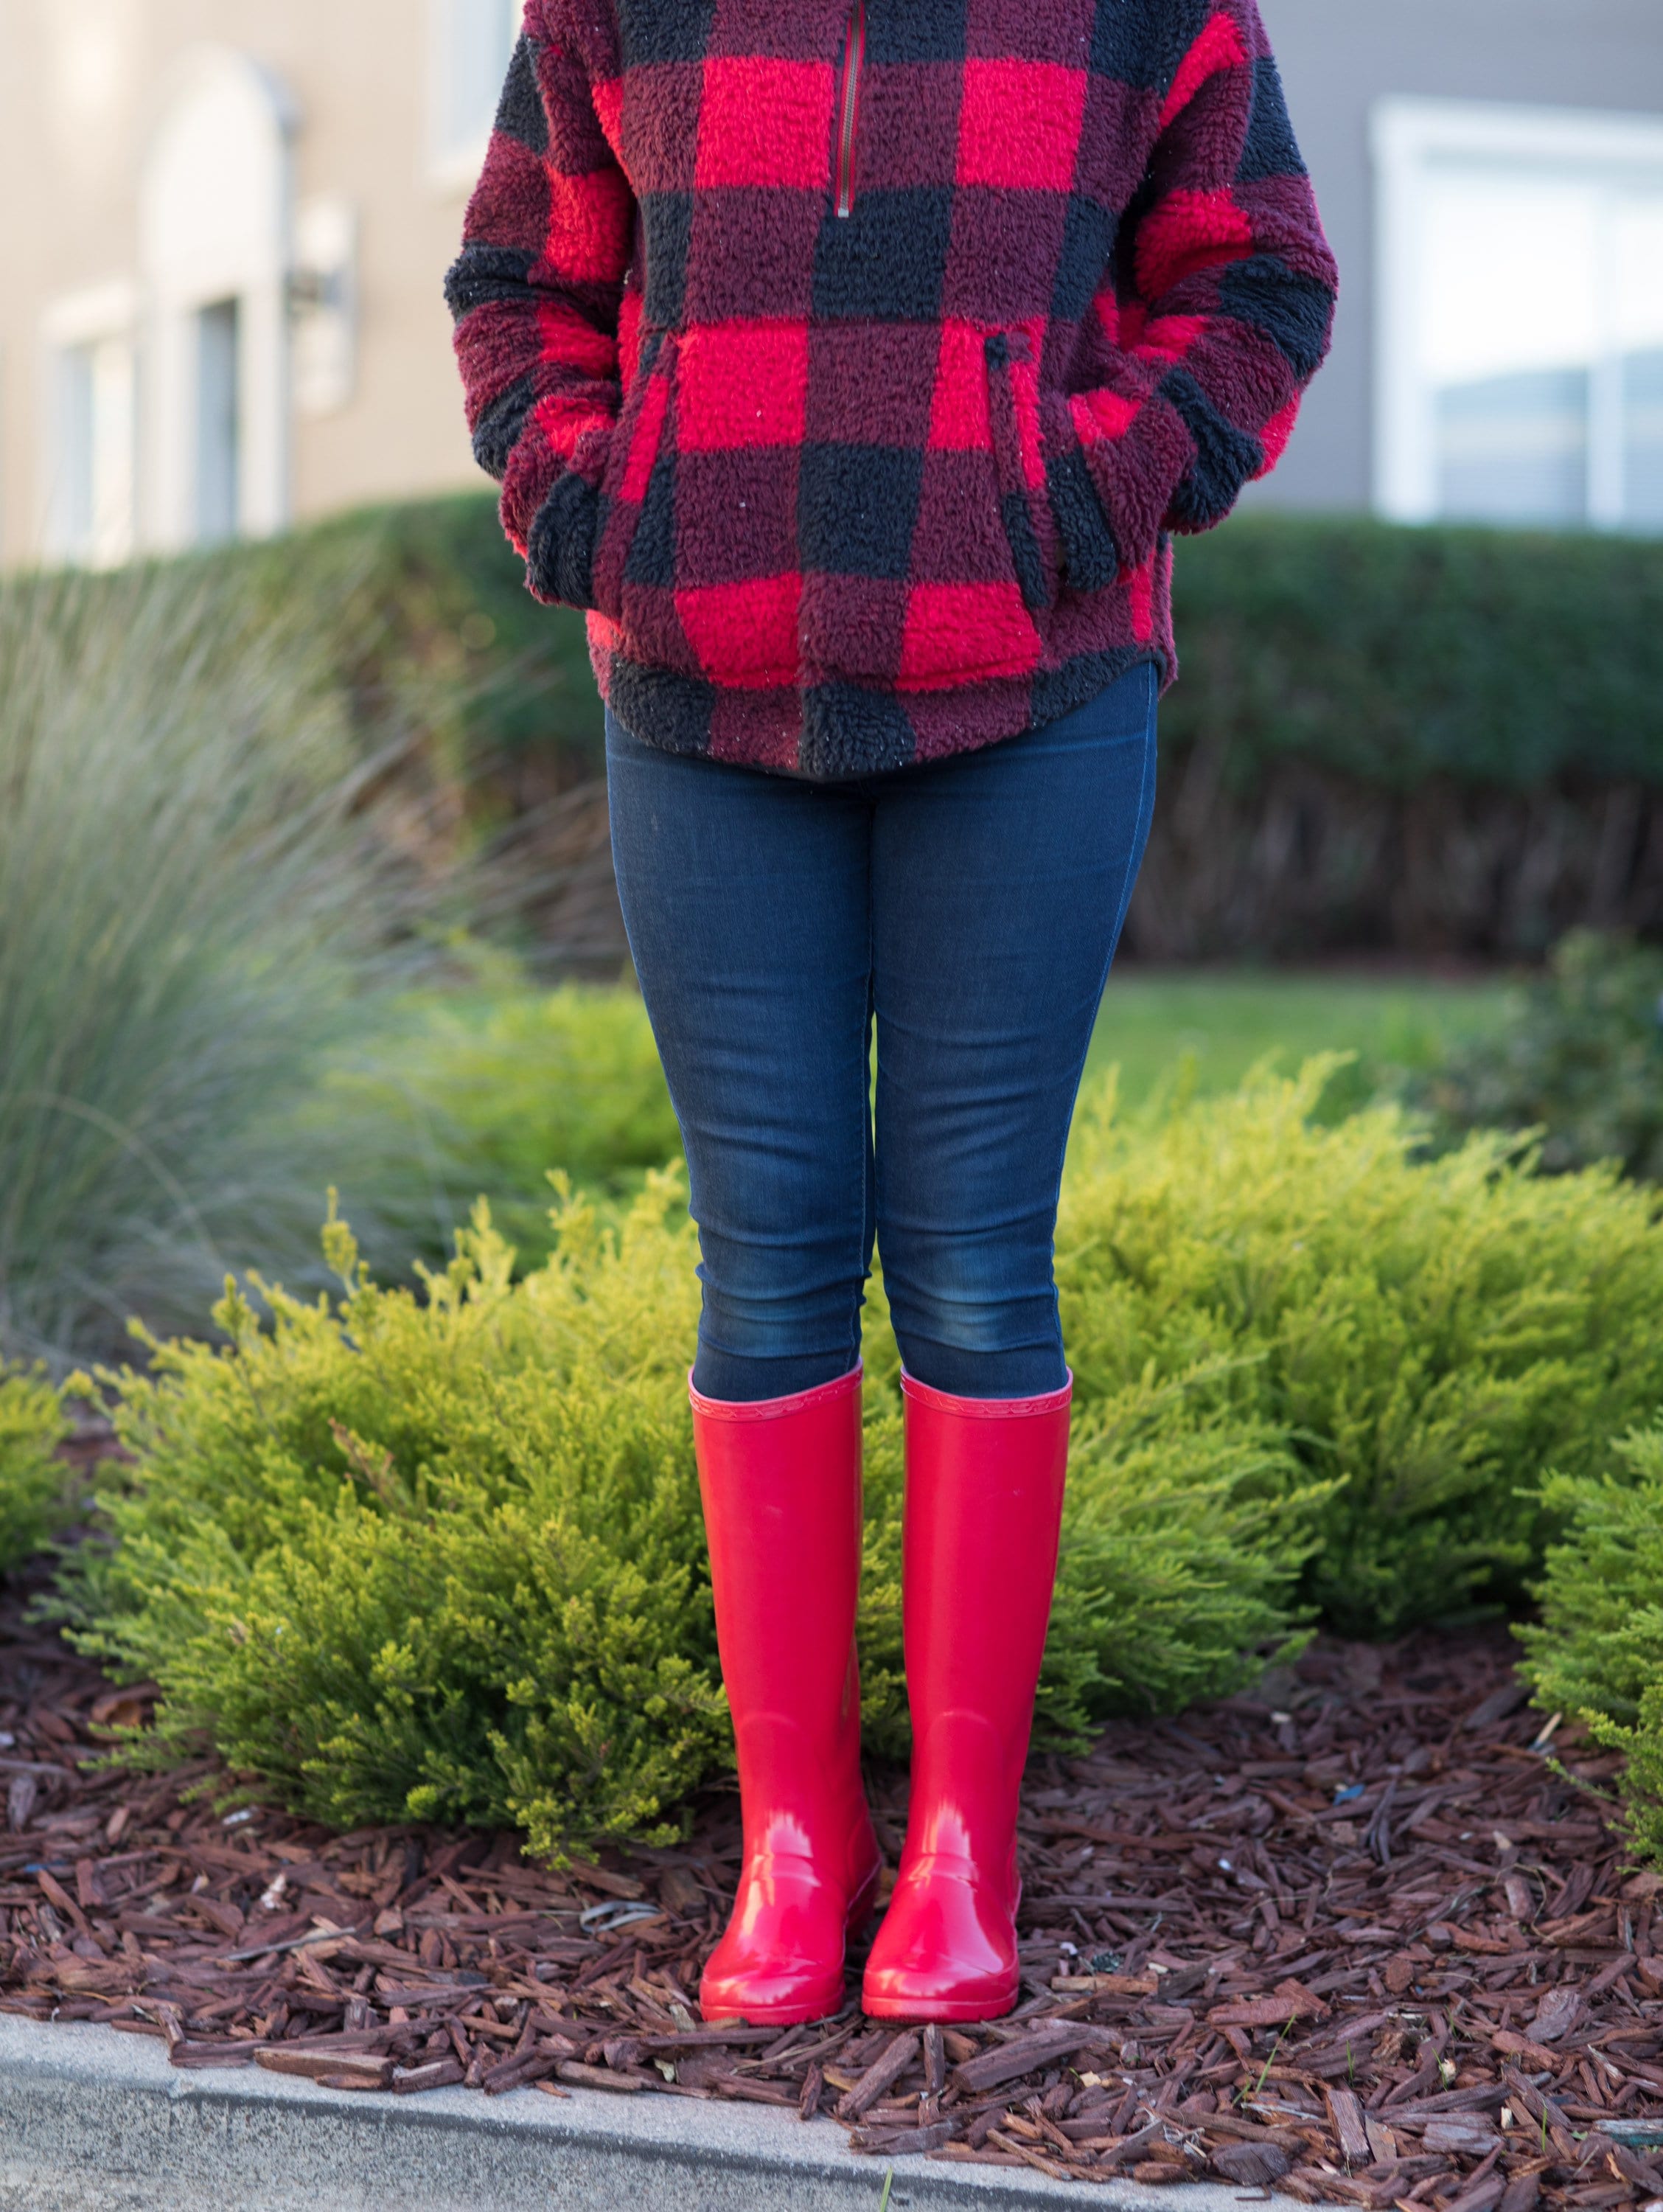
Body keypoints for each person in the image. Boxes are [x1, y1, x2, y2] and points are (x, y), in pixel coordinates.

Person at [447, 0, 1335, 2027]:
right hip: (698, 696)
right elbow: (521, 276)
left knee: (973, 1261)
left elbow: (1260, 268)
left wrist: (1100, 483)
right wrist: (595, 504)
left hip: (1033, 685)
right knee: (768, 1266)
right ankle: (795, 1843)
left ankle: (956, 1846)